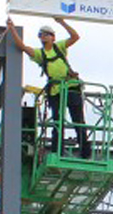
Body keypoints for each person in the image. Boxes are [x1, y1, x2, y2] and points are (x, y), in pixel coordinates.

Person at [7, 15, 92, 159]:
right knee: (58, 121)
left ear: (53, 37)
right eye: (41, 35)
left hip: (71, 86)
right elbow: (22, 47)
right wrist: (12, 29)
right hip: (55, 89)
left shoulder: (59, 47)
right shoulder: (40, 54)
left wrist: (62, 22)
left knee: (78, 120)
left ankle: (85, 152)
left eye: (47, 34)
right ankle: (57, 152)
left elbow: (75, 36)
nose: (43, 36)